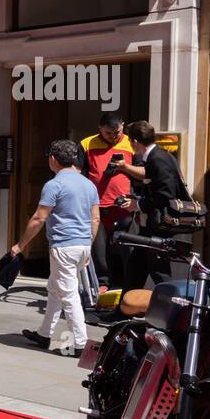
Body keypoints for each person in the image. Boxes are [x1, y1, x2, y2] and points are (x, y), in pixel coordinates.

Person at [14, 140, 101, 357]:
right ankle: (44, 334)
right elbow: (96, 218)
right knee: (54, 289)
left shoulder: (54, 184)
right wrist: (88, 246)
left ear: (53, 159)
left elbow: (39, 217)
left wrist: (20, 245)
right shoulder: (89, 184)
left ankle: (81, 344)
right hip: (82, 245)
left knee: (69, 296)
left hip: (64, 246)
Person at [117, 121, 186, 291]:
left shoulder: (158, 158)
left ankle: (174, 310)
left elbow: (166, 194)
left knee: (159, 272)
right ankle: (124, 310)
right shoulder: (157, 156)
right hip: (152, 225)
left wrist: (138, 204)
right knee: (136, 267)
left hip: (160, 225)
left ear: (134, 142)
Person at [79, 114, 133, 292]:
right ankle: (103, 282)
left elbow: (142, 173)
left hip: (124, 205)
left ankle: (129, 284)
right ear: (99, 128)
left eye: (117, 132)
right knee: (98, 248)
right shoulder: (87, 144)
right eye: (109, 133)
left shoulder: (131, 143)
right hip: (96, 205)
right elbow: (80, 172)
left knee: (127, 247)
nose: (114, 136)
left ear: (123, 126)